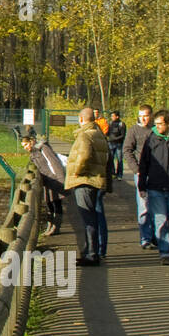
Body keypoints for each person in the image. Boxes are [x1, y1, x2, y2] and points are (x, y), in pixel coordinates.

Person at [137, 109, 169, 263]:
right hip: (155, 187)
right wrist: (142, 186)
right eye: (156, 124)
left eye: (160, 124)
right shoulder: (151, 140)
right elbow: (144, 164)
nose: (157, 126)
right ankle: (165, 252)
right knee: (160, 221)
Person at [64, 106, 110, 266]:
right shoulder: (99, 134)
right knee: (94, 217)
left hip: (85, 180)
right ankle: (94, 250)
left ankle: (90, 253)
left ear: (81, 119)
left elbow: (84, 154)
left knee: (87, 218)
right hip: (96, 180)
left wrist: (77, 171)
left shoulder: (84, 135)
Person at [20, 125, 65, 236]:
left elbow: (54, 162)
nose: (25, 147)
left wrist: (60, 180)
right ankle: (50, 225)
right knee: (49, 203)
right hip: (46, 181)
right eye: (23, 146)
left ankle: (56, 227)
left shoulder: (43, 148)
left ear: (31, 141)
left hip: (54, 179)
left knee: (56, 203)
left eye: (26, 144)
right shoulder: (33, 153)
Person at [123, 105, 154, 248]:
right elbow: (127, 150)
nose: (143, 118)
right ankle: (145, 238)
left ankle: (156, 236)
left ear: (151, 115)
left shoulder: (157, 130)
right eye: (141, 115)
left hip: (158, 174)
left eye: (146, 115)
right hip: (141, 174)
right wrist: (136, 169)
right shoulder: (133, 130)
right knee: (144, 206)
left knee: (157, 206)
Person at [106, 111, 126, 178]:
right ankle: (112, 173)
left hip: (119, 144)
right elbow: (108, 132)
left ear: (117, 116)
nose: (112, 117)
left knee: (119, 159)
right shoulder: (110, 123)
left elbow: (123, 135)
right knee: (111, 159)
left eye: (113, 116)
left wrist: (115, 139)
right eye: (111, 116)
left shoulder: (121, 124)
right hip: (111, 144)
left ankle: (119, 174)